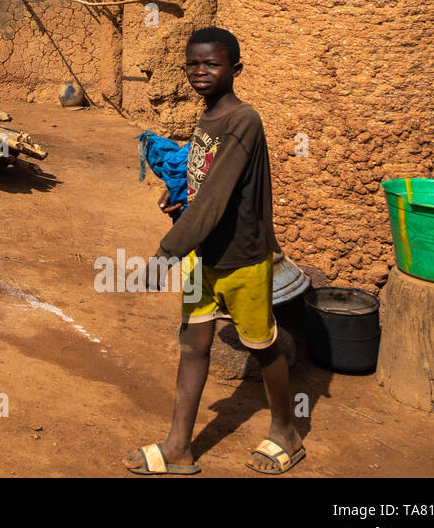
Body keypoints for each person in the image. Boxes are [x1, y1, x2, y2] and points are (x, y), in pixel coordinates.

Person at [124, 27, 305, 476]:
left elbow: (220, 195)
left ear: (235, 69)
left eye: (212, 64)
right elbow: (206, 182)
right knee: (193, 344)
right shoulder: (208, 118)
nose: (200, 72)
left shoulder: (244, 119)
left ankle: (286, 431)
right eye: (193, 64)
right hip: (202, 255)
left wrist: (166, 252)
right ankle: (179, 446)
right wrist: (181, 195)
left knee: (262, 345)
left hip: (241, 257)